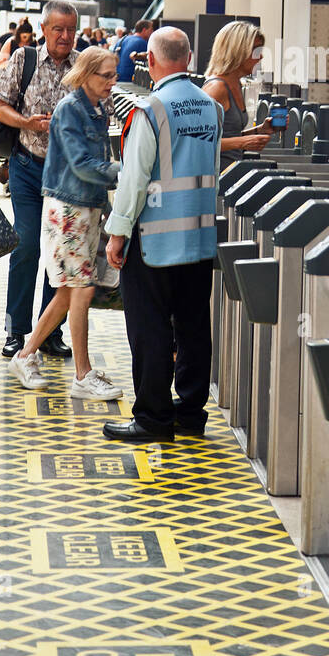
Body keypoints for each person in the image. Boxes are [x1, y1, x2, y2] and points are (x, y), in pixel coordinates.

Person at [102, 27, 223, 443]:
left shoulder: (150, 110)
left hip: (155, 240)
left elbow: (134, 180)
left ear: (150, 62)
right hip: (200, 238)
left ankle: (152, 418)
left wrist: (117, 233)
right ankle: (190, 413)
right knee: (193, 326)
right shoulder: (211, 107)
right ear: (188, 59)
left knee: (150, 328)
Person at [8, 48, 122, 399]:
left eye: (114, 74)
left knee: (66, 292)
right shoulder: (70, 110)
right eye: (106, 75)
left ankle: (25, 355)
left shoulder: (99, 109)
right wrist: (127, 174)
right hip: (68, 210)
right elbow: (83, 163)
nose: (112, 81)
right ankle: (82, 375)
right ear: (86, 73)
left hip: (87, 208)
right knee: (82, 289)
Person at [0, 0, 83, 360]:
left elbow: (98, 110)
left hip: (65, 174)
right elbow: (1, 107)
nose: (64, 36)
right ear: (44, 29)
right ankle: (16, 330)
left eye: (70, 30)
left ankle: (50, 332)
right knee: (27, 244)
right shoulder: (24, 59)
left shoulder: (82, 65)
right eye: (57, 29)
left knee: (58, 254)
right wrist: (27, 123)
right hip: (28, 167)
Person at [202, 21, 274, 169]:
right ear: (237, 51)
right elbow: (199, 142)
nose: (260, 56)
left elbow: (228, 136)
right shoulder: (216, 89)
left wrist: (259, 130)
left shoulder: (236, 84)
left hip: (230, 176)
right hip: (215, 179)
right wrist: (244, 142)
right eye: (255, 50)